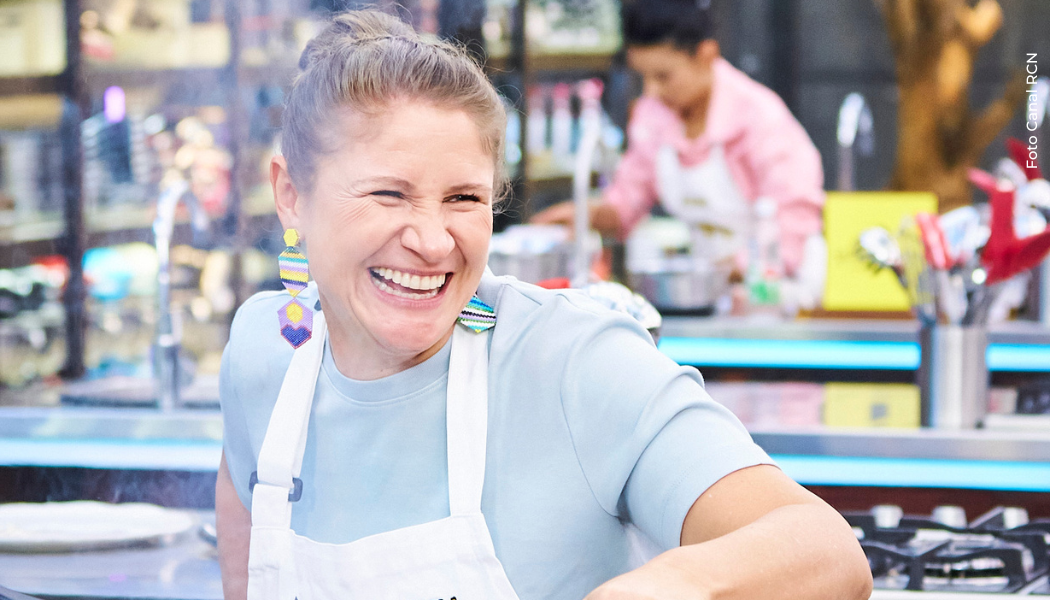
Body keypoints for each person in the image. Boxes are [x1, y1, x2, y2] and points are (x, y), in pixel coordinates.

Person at [214, 9, 871, 600]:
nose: (432, 239)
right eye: (389, 194)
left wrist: (671, 583)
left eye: (464, 199)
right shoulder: (263, 352)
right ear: (291, 193)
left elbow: (824, 550)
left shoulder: (572, 362)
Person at [532, 0, 825, 283]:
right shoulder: (653, 116)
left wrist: (716, 275)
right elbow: (628, 202)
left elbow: (793, 224)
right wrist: (585, 214)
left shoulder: (760, 120)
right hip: (709, 295)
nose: (652, 90)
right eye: (644, 76)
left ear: (706, 54)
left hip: (783, 291)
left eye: (663, 76)